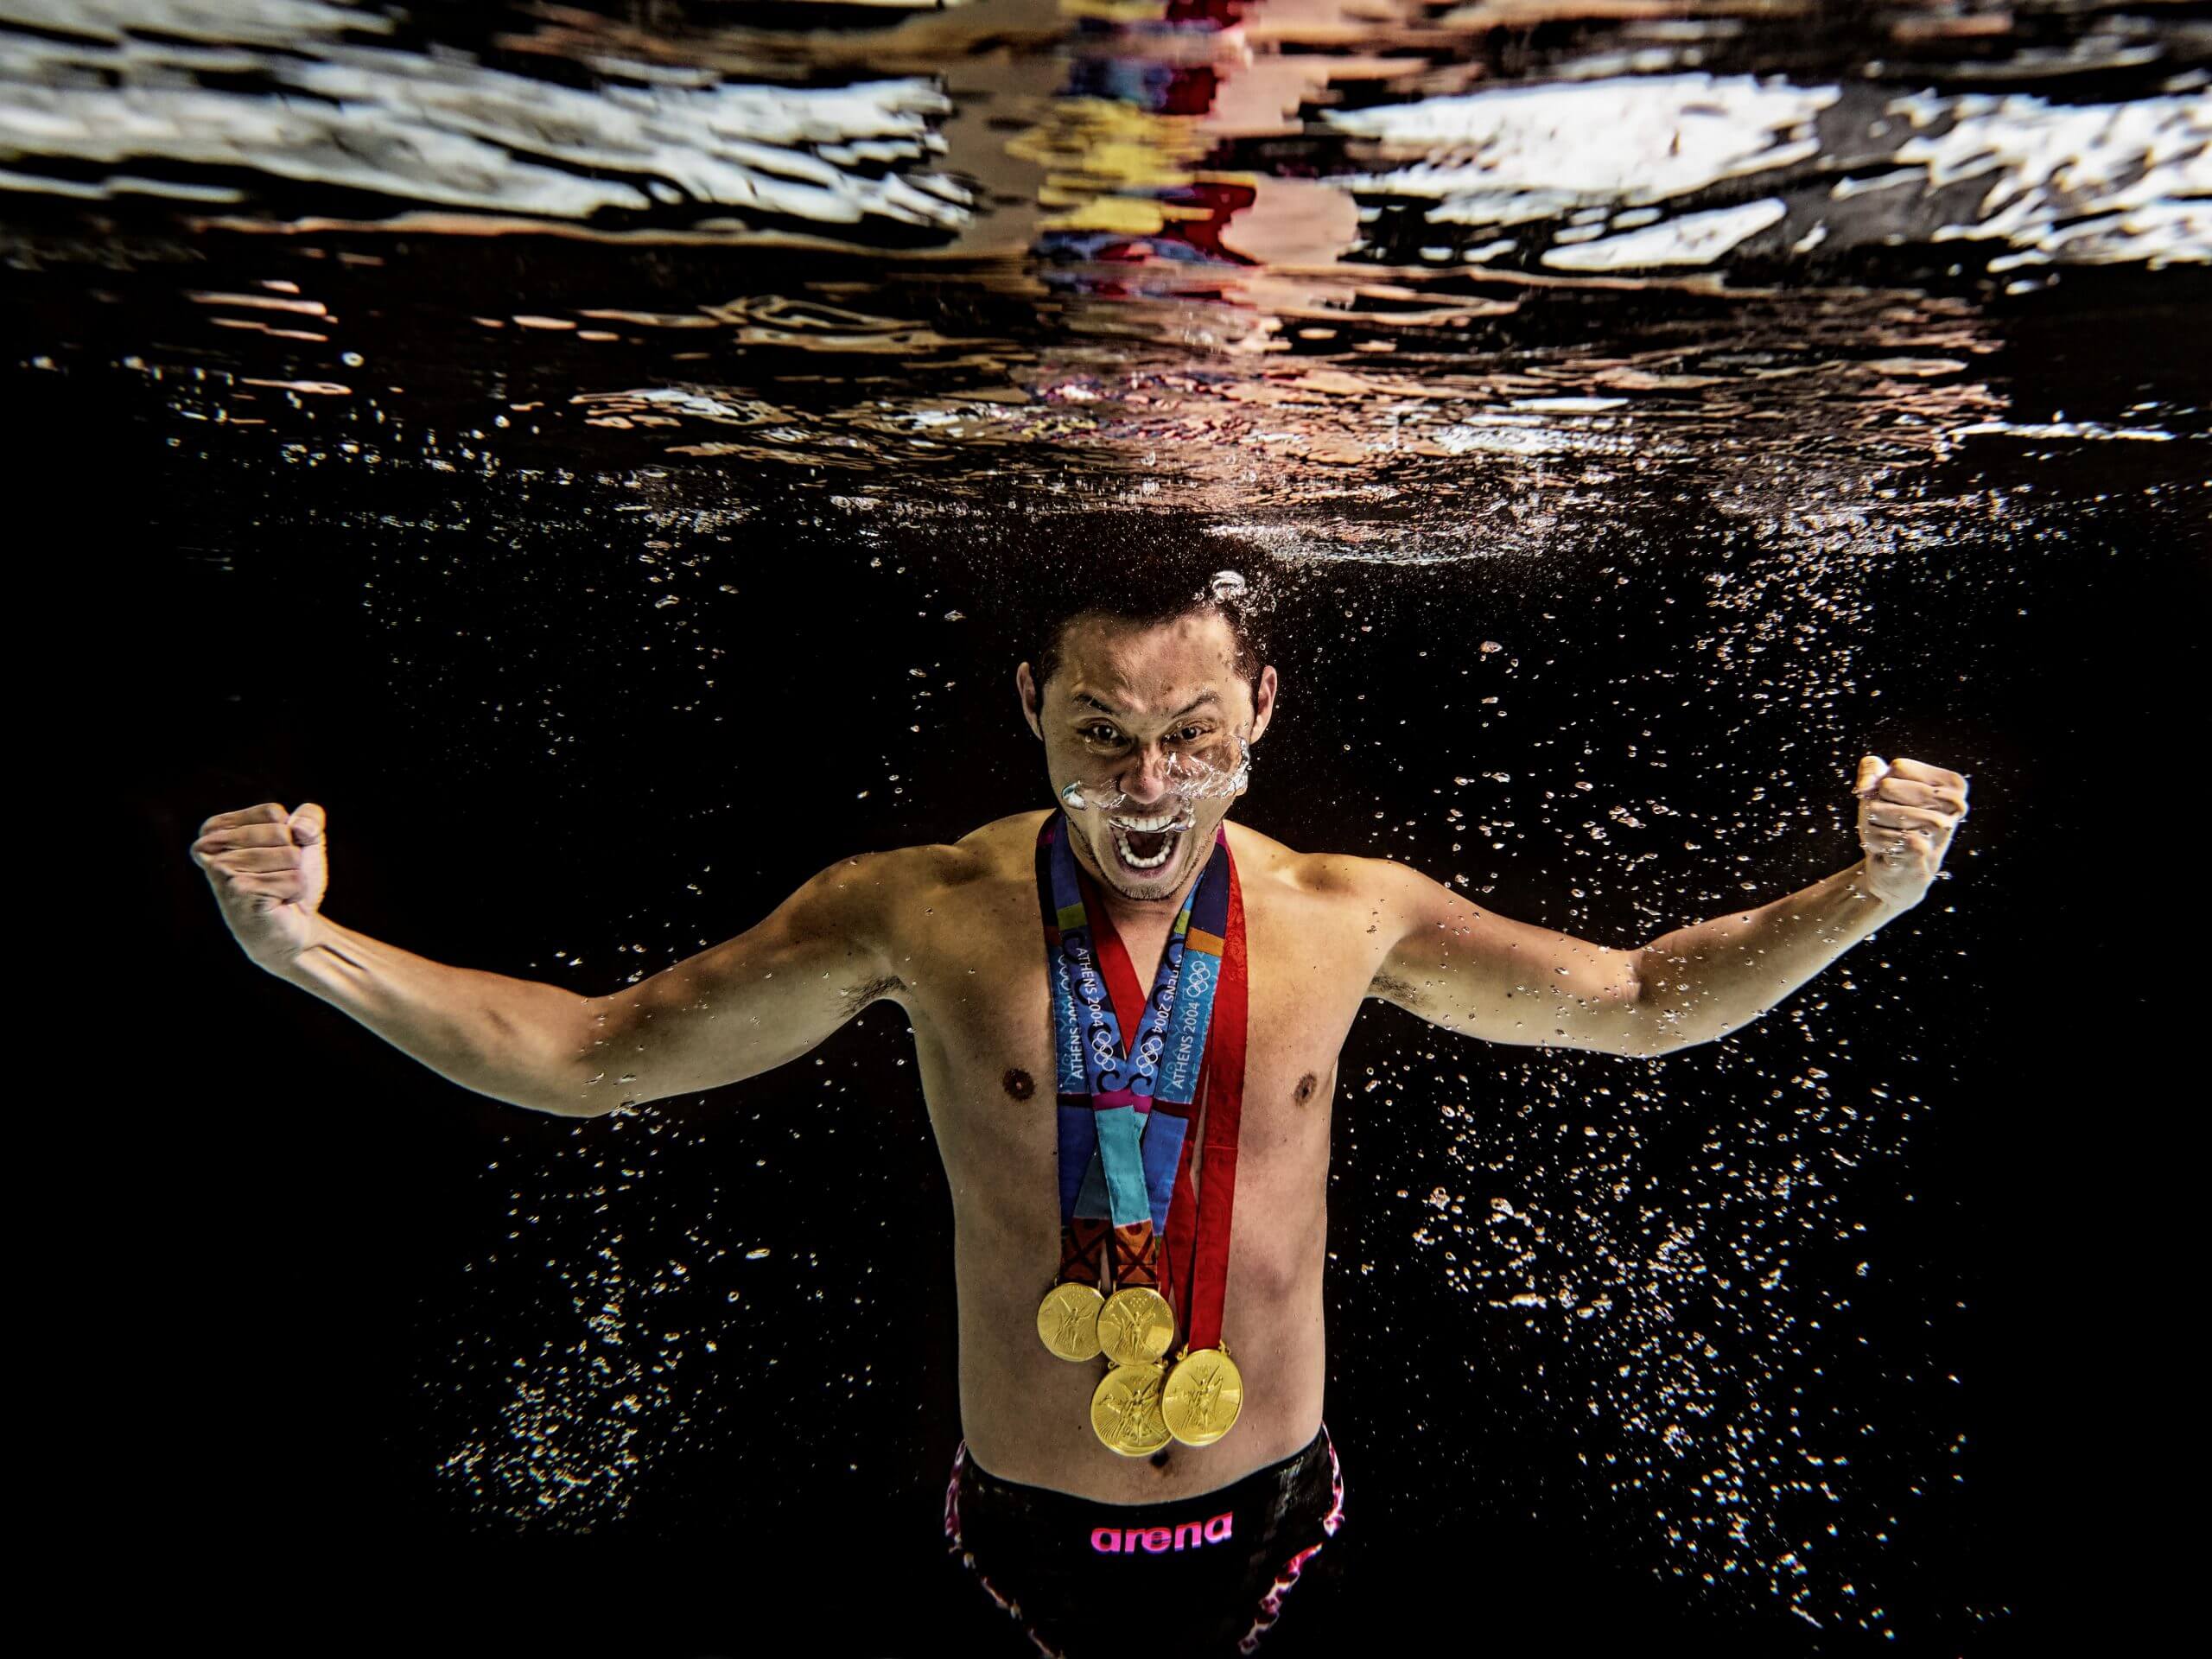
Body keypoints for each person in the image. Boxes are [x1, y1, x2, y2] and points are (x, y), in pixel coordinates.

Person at [188, 543, 1967, 1657]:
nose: (1150, 781)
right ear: (1027, 701)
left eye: (1192, 732)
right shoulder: (914, 911)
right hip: (1005, 1540)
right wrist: (307, 957)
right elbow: (591, 1057)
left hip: (1290, 1530)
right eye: (1100, 735)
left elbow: (1646, 1003)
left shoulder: (1343, 917)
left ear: (1260, 707)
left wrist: (1864, 895)